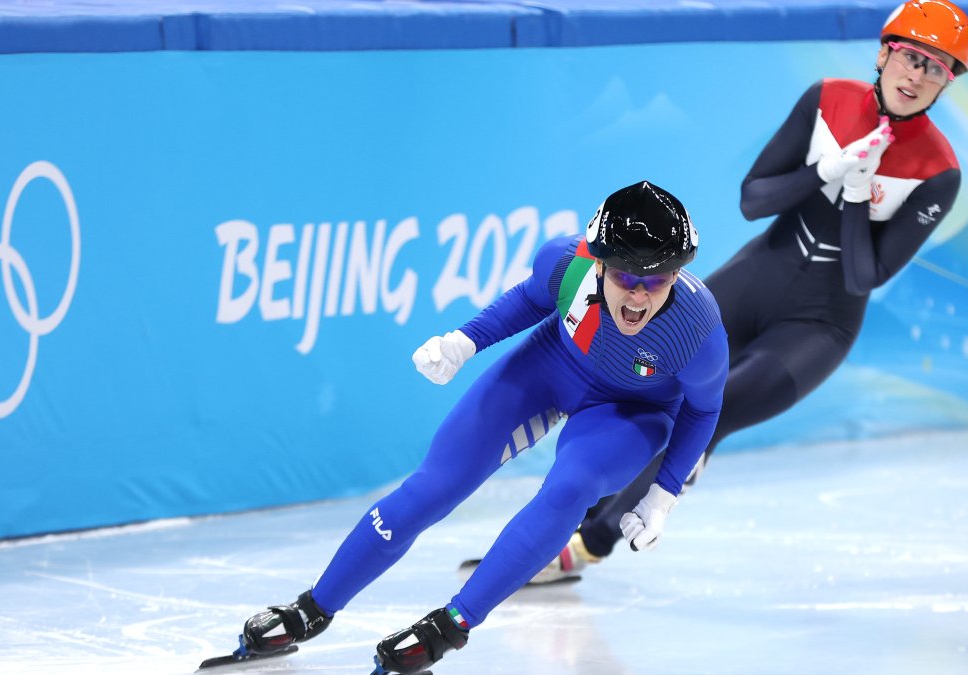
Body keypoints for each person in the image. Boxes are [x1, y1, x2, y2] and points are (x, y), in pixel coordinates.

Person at [517, 0, 968, 585]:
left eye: (936, 68)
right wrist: (824, 172)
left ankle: (588, 545)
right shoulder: (827, 99)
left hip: (822, 323)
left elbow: (865, 276)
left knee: (716, 409)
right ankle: (553, 522)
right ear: (885, 53)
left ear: (947, 82)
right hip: (757, 275)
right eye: (911, 57)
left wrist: (858, 196)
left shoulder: (939, 170)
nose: (917, 76)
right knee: (643, 374)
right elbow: (753, 199)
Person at [205, 181, 728, 674]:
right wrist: (465, 340)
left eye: (657, 280)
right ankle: (313, 608)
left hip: (631, 410)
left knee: (571, 488)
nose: (638, 297)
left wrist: (663, 494)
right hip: (553, 366)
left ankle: (450, 625)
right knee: (434, 485)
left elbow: (703, 410)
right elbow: (529, 300)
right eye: (626, 278)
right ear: (599, 262)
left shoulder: (695, 329)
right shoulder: (565, 261)